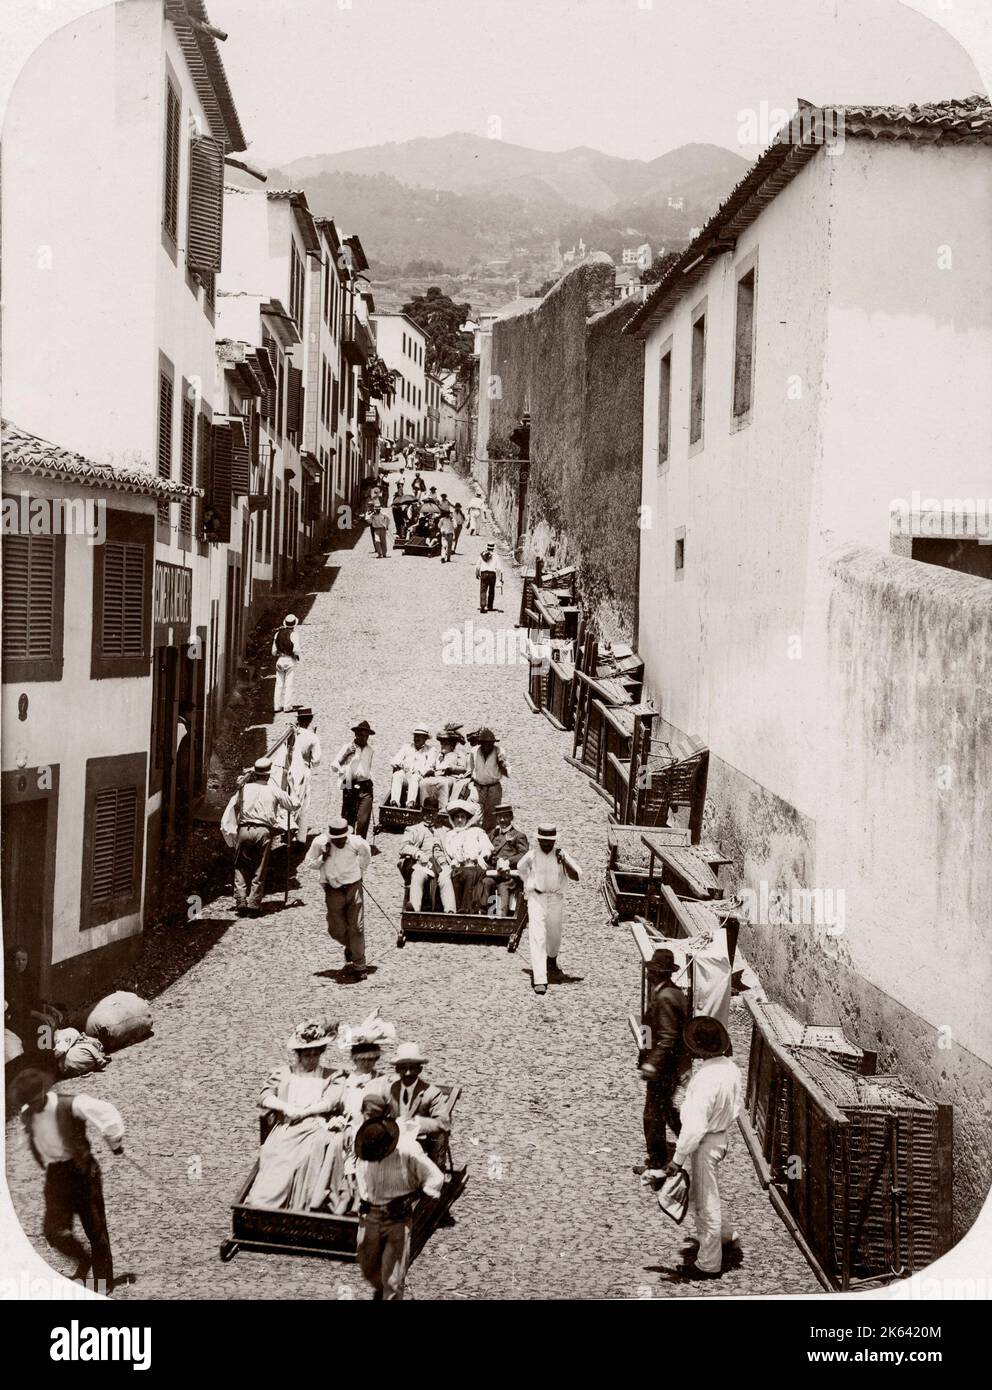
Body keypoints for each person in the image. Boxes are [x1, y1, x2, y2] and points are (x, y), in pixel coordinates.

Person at [11, 1067, 124, 1292]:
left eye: (34, 1101)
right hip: (55, 1176)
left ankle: (103, 1284)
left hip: (81, 1172)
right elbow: (26, 1139)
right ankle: (83, 1259)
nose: (32, 1107)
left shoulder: (71, 1104)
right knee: (53, 1230)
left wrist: (115, 1141)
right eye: (28, 1103)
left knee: (95, 1229)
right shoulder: (28, 1114)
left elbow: (105, 1113)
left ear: (42, 1093)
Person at [666, 1016, 742, 1279]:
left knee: (705, 1204)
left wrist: (677, 1159)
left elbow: (695, 1127)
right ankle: (726, 1235)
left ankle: (708, 1264)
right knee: (707, 1193)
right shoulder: (731, 1069)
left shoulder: (705, 1080)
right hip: (720, 1137)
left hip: (705, 1143)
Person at [246, 1021, 346, 1210]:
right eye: (307, 1055)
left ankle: (298, 1205)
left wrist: (304, 1111)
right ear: (298, 1055)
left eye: (316, 1054)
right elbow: (264, 1095)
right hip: (286, 1128)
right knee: (273, 1155)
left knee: (305, 1157)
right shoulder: (283, 1073)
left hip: (313, 1127)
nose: (312, 1059)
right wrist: (285, 1107)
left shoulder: (332, 1075)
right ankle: (262, 1204)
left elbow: (331, 1100)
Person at [354, 1092, 444, 1301]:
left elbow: (435, 1178)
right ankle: (384, 1289)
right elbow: (357, 1171)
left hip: (396, 1219)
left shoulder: (407, 1149)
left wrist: (412, 1200)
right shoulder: (363, 1142)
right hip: (369, 1217)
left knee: (393, 1280)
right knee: (367, 1267)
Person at [221, 758, 297, 917]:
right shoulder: (274, 790)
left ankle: (241, 899)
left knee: (240, 865)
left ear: (255, 774)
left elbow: (232, 806)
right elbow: (294, 805)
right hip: (263, 832)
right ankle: (254, 904)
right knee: (259, 868)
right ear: (269, 775)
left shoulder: (244, 789)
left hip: (243, 830)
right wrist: (291, 784)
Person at [637, 949, 690, 1172]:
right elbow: (650, 1027)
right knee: (666, 1109)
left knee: (652, 1114)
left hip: (664, 1069)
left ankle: (657, 1161)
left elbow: (668, 1038)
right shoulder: (670, 992)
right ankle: (689, 1143)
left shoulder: (666, 997)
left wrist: (652, 1063)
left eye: (652, 972)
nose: (648, 976)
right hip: (670, 1067)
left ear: (659, 974)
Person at [517, 824, 582, 995]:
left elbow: (577, 876)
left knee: (554, 935)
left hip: (555, 898)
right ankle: (540, 978)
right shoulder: (531, 855)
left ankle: (551, 959)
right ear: (538, 840)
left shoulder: (561, 854)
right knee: (537, 936)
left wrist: (565, 862)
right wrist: (528, 885)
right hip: (536, 898)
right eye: (544, 841)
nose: (547, 845)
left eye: (550, 842)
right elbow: (520, 869)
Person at [303, 817, 372, 979]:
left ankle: (359, 965)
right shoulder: (320, 843)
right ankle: (351, 946)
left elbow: (366, 855)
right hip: (333, 889)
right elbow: (309, 862)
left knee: (357, 927)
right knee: (336, 929)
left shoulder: (357, 842)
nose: (340, 842)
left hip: (353, 886)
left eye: (342, 839)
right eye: (336, 840)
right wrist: (323, 858)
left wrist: (360, 871)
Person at [382, 1043, 451, 1167]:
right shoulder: (391, 1089)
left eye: (412, 1068)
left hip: (421, 1145)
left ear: (420, 1069)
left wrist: (414, 1123)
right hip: (394, 1142)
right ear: (397, 1070)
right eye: (403, 1068)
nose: (408, 1073)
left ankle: (433, 1177)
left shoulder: (432, 1093)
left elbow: (443, 1122)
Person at [273, 708, 322, 846]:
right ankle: (301, 839)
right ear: (310, 720)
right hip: (302, 772)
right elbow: (316, 760)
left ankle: (286, 829)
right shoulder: (312, 737)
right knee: (303, 804)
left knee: (285, 800)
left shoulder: (288, 732)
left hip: (286, 770)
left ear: (298, 719)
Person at [443, 802, 493, 913]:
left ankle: (467, 910)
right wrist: (453, 861)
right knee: (456, 875)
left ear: (467, 819)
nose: (460, 820)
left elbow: (487, 848)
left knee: (469, 874)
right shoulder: (450, 835)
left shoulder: (477, 831)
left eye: (462, 817)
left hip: (476, 866)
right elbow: (448, 852)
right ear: (453, 819)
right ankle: (456, 910)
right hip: (459, 867)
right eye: (457, 817)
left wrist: (481, 856)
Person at [400, 816, 455, 914]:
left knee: (445, 880)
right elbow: (404, 847)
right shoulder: (413, 829)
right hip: (424, 864)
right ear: (422, 813)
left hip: (442, 865)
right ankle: (414, 910)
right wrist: (418, 853)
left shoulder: (445, 830)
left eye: (432, 813)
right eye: (427, 813)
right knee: (417, 876)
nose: (430, 816)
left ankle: (450, 912)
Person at [332, 720, 375, 839]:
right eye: (361, 735)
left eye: (366, 736)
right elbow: (334, 766)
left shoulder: (370, 750)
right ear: (355, 734)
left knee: (363, 820)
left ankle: (360, 846)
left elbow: (367, 769)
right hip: (349, 785)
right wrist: (346, 754)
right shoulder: (347, 747)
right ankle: (348, 847)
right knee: (348, 819)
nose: (364, 738)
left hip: (365, 787)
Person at [465, 727, 508, 834]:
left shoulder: (499, 751)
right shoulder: (474, 752)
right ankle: (475, 833)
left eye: (490, 743)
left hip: (494, 786)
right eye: (485, 743)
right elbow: (470, 769)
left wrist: (501, 764)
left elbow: (506, 772)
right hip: (478, 786)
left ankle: (490, 836)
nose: (488, 746)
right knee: (476, 812)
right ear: (480, 743)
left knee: (492, 814)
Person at [487, 816, 530, 916]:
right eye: (499, 817)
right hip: (494, 874)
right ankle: (481, 916)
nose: (502, 820)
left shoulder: (519, 835)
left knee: (503, 887)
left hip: (509, 877)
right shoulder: (493, 834)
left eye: (505, 816)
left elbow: (524, 854)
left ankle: (501, 919)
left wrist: (508, 861)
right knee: (485, 883)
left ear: (511, 817)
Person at [418, 727, 467, 813]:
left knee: (444, 784)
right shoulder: (439, 756)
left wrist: (451, 768)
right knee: (424, 782)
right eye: (442, 744)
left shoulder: (458, 754)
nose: (443, 746)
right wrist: (431, 770)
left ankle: (443, 809)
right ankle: (425, 808)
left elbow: (463, 768)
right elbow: (433, 766)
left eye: (445, 744)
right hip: (437, 776)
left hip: (450, 777)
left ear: (452, 745)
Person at [388, 726, 436, 808]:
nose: (416, 738)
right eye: (415, 736)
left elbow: (430, 766)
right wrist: (401, 764)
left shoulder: (431, 750)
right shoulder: (406, 747)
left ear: (425, 738)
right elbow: (394, 760)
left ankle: (410, 804)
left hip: (420, 778)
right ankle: (394, 803)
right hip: (406, 776)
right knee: (397, 775)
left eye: (419, 736)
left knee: (415, 777)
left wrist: (420, 771)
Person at [272, 614, 301, 713]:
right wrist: (295, 655)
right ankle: (287, 706)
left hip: (280, 660)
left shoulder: (277, 634)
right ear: (294, 624)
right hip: (289, 660)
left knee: (279, 684)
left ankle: (277, 706)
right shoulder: (293, 634)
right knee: (289, 684)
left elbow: (273, 651)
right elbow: (296, 649)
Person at [476, 545, 502, 613]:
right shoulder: (496, 556)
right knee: (491, 590)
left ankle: (483, 605)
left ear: (487, 547)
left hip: (484, 574)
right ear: (493, 548)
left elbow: (478, 566)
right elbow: (499, 568)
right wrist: (499, 578)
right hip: (492, 574)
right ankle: (490, 606)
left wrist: (477, 573)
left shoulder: (482, 555)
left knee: (483, 590)